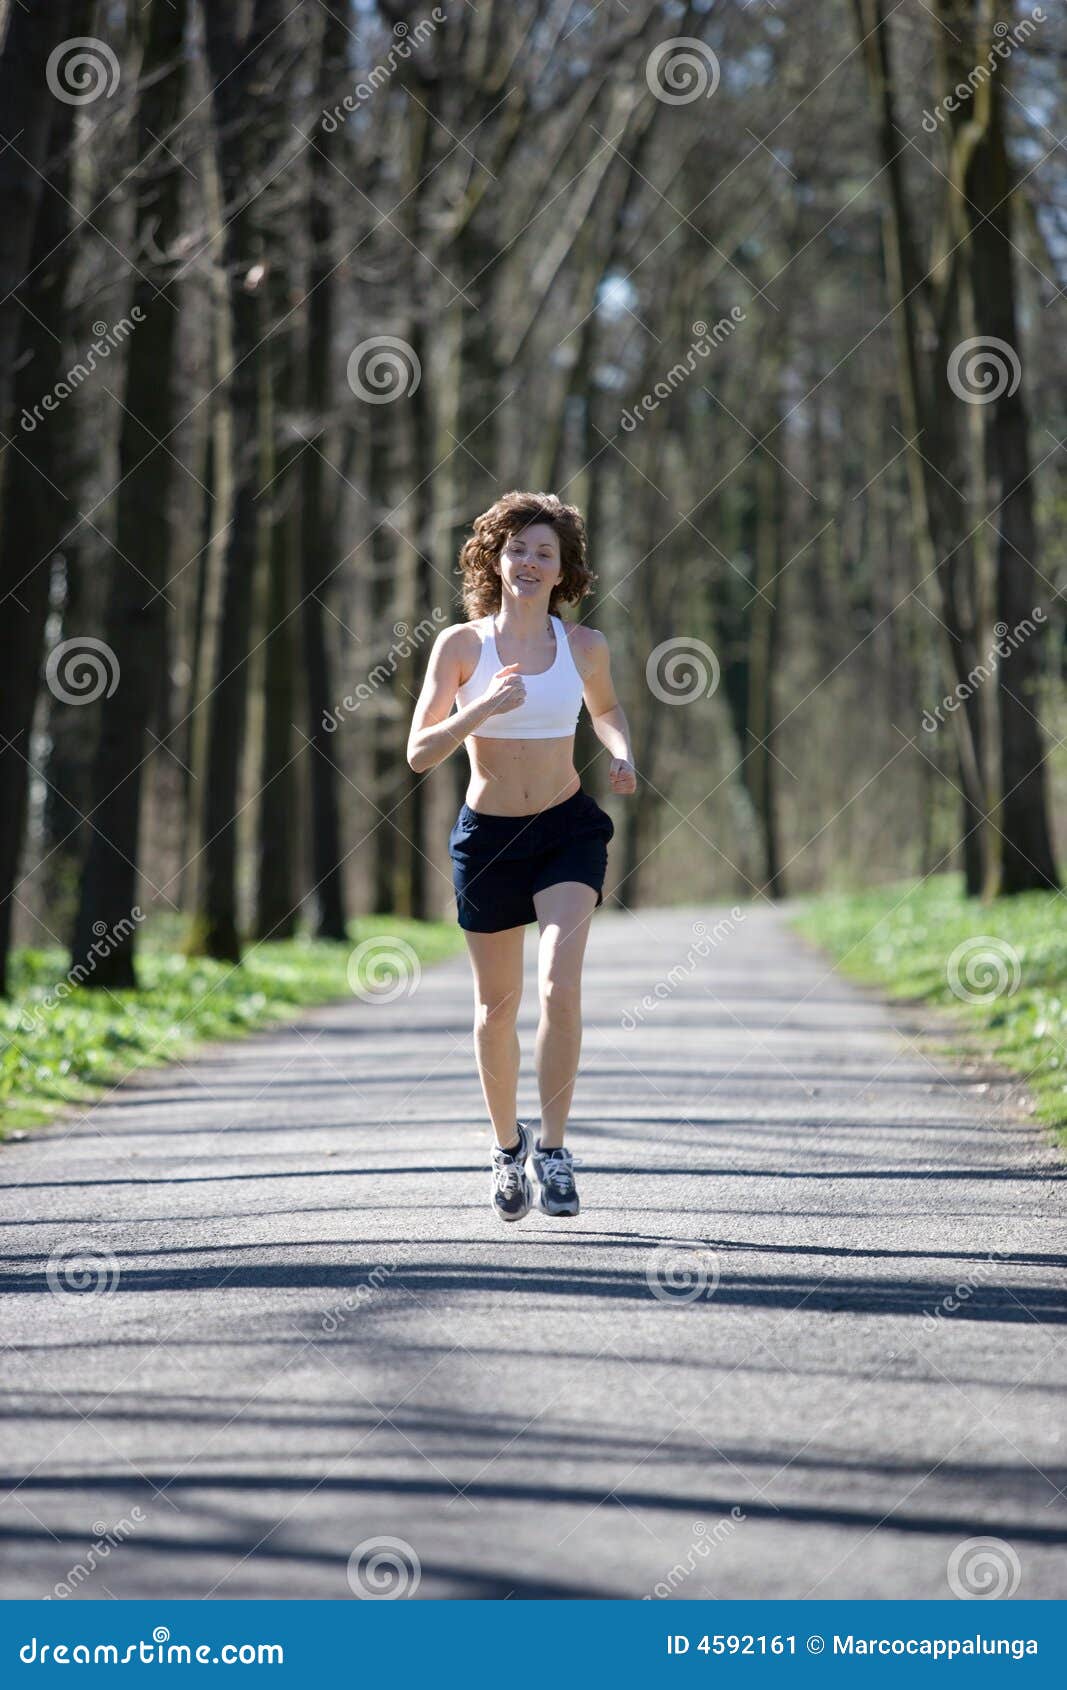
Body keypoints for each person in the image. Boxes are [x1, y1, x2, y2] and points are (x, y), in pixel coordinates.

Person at [406, 490, 636, 1222]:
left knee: (558, 989)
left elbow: (604, 709)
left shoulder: (584, 647)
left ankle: (556, 1151)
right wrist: (480, 707)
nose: (529, 562)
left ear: (563, 569)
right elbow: (418, 752)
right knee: (493, 1010)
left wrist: (621, 752)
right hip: (488, 839)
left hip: (566, 829)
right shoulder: (462, 647)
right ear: (494, 560)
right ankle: (507, 1148)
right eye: (517, 549)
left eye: (544, 552)